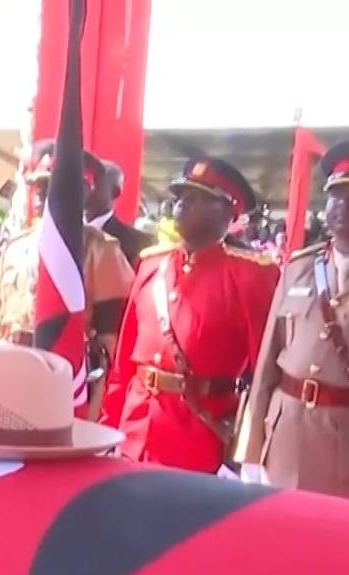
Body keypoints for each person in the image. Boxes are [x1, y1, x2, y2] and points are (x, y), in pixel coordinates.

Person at [236, 141, 349, 505]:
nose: (342, 206)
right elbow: (266, 369)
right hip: (285, 440)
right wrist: (250, 448)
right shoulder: (298, 269)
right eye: (336, 195)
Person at [101, 156, 277, 473]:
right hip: (135, 427)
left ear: (227, 212)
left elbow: (264, 375)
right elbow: (125, 361)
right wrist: (109, 425)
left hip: (197, 437)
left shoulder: (250, 276)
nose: (181, 205)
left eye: (197, 198)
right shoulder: (153, 264)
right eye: (180, 197)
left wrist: (244, 453)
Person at [0, 140, 135, 405]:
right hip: (9, 370)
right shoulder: (17, 246)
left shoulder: (101, 250)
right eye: (40, 184)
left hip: (66, 379)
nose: (43, 192)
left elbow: (113, 339)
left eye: (52, 185)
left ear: (83, 192)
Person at [90, 160, 155, 268]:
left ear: (115, 192)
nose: (87, 187)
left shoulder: (138, 243)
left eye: (95, 181)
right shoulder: (62, 235)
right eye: (84, 181)